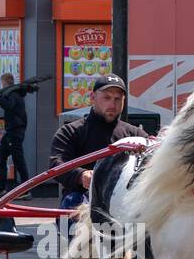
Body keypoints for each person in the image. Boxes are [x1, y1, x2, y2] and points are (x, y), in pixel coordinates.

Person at [49, 74, 148, 211]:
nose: (112, 105)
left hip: (126, 202)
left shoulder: (136, 134)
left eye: (118, 99)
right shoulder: (70, 131)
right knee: (72, 203)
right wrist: (80, 175)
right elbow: (56, 164)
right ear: (92, 98)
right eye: (106, 98)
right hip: (82, 199)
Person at [0, 73, 37, 199]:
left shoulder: (13, 94)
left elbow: (8, 106)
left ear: (6, 82)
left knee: (19, 161)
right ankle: (2, 189)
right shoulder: (14, 93)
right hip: (11, 132)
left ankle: (26, 190)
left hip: (15, 132)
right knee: (1, 158)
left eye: (2, 83)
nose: (2, 85)